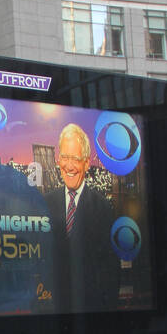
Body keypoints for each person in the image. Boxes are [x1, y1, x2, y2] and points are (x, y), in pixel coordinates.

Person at [46, 123, 121, 313]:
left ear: (87, 163)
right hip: (52, 315)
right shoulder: (45, 203)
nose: (69, 166)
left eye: (75, 159)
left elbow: (111, 271)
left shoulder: (102, 207)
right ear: (58, 159)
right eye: (64, 157)